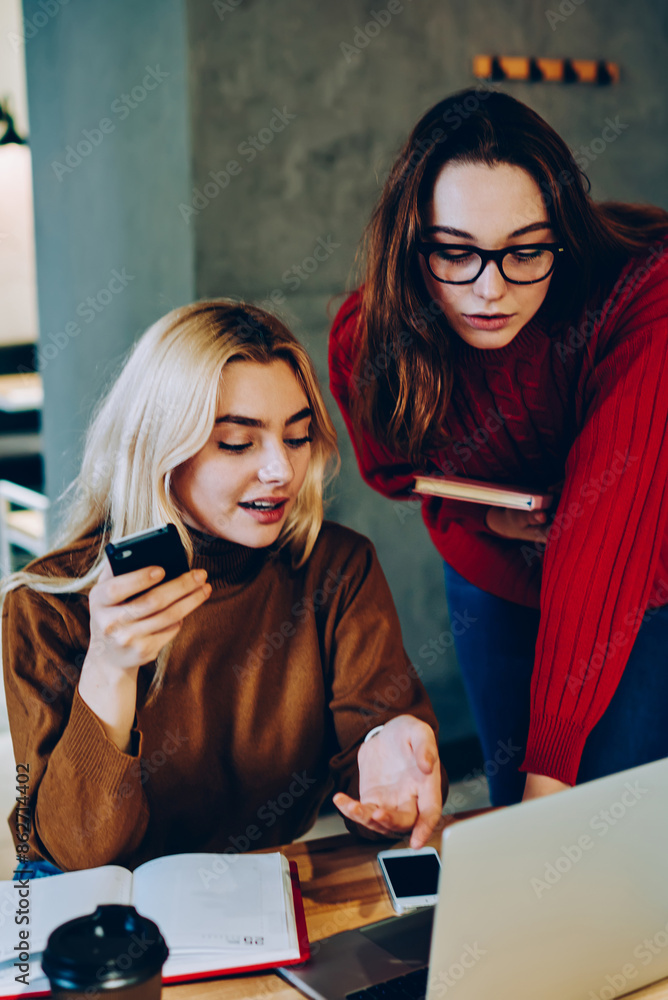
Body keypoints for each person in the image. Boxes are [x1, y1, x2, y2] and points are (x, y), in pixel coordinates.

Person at [1, 300, 446, 876]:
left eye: (298, 436)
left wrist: (389, 762)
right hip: (105, 904)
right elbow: (73, 855)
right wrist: (109, 668)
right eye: (238, 443)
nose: (281, 471)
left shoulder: (335, 568)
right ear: (158, 447)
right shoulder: (45, 606)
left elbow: (370, 795)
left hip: (259, 890)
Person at [328, 87, 668, 807]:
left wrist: (553, 769)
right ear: (411, 243)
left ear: (564, 236)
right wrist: (487, 519)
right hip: (494, 571)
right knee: (516, 803)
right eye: (455, 253)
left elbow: (607, 532)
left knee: (604, 813)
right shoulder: (369, 333)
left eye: (525, 252)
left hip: (634, 576)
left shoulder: (644, 292)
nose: (490, 290)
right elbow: (396, 473)